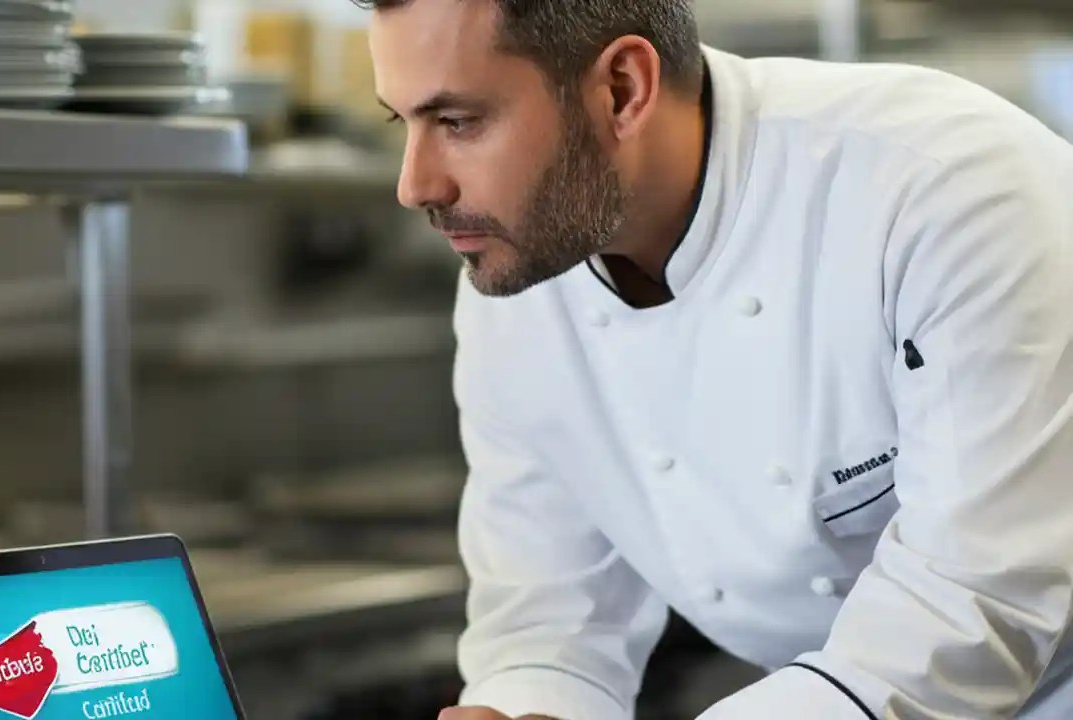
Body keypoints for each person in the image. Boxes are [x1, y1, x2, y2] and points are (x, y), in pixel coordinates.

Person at [355, 0, 1073, 718]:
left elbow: (973, 601)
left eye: (457, 122)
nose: (415, 186)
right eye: (402, 122)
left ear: (622, 89)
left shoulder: (946, 191)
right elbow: (550, 615)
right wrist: (523, 708)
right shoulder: (522, 275)